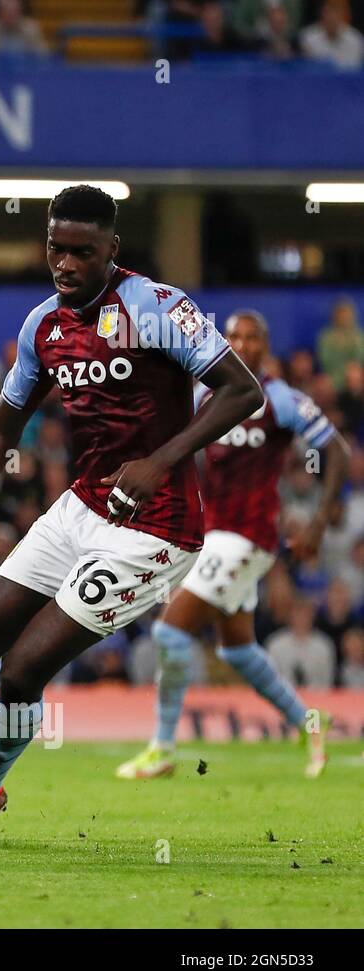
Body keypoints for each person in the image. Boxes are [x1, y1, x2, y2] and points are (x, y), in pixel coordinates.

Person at [0, 185, 263, 840]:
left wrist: (158, 461)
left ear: (112, 250)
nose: (67, 265)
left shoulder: (157, 306)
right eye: (57, 248)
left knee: (24, 669)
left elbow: (240, 391)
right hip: (81, 505)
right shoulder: (43, 327)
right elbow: (0, 430)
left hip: (156, 530)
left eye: (83, 252)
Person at [117, 310, 347, 781]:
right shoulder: (208, 395)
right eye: (234, 336)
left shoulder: (278, 398)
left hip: (247, 539)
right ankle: (310, 723)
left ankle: (162, 748)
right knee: (238, 650)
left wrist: (320, 520)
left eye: (252, 337)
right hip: (211, 535)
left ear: (265, 346)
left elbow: (336, 450)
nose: (242, 344)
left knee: (169, 631)